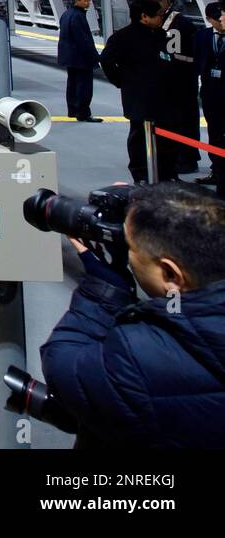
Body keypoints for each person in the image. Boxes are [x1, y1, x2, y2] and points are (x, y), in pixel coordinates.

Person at [39, 181, 225, 449]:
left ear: (170, 274)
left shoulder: (139, 356)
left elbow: (63, 363)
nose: (128, 255)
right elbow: (177, 305)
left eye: (130, 248)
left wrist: (104, 287)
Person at [99, 0, 176, 183]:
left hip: (163, 94)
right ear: (144, 17)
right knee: (139, 136)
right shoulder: (123, 37)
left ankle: (167, 173)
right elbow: (106, 61)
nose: (162, 18)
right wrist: (122, 81)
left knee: (166, 137)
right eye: (159, 15)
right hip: (139, 96)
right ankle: (140, 174)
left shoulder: (160, 35)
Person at [148, 0, 202, 175]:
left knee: (185, 119)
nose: (154, 4)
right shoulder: (157, 21)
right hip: (165, 80)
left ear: (168, 0)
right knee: (169, 120)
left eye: (157, 0)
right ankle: (174, 155)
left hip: (182, 80)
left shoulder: (181, 23)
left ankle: (188, 158)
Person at [58, 0, 103, 122]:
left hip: (69, 57)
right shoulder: (78, 16)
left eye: (89, 0)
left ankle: (72, 110)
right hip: (81, 58)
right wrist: (95, 57)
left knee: (72, 84)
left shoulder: (66, 14)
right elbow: (84, 40)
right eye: (85, 0)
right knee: (84, 86)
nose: (88, 2)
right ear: (77, 0)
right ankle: (83, 113)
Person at [195, 1, 225, 194]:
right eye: (219, 18)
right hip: (210, 92)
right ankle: (217, 170)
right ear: (209, 20)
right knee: (214, 132)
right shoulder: (201, 37)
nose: (222, 22)